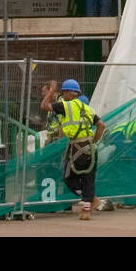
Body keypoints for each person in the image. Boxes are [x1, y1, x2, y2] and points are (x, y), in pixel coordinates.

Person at [41, 78, 105, 220]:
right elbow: (101, 125)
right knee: (88, 178)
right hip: (90, 148)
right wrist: (94, 140)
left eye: (64, 92)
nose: (63, 95)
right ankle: (86, 210)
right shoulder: (88, 108)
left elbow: (44, 105)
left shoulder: (66, 106)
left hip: (76, 148)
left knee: (68, 178)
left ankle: (90, 199)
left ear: (71, 93)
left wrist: (51, 91)